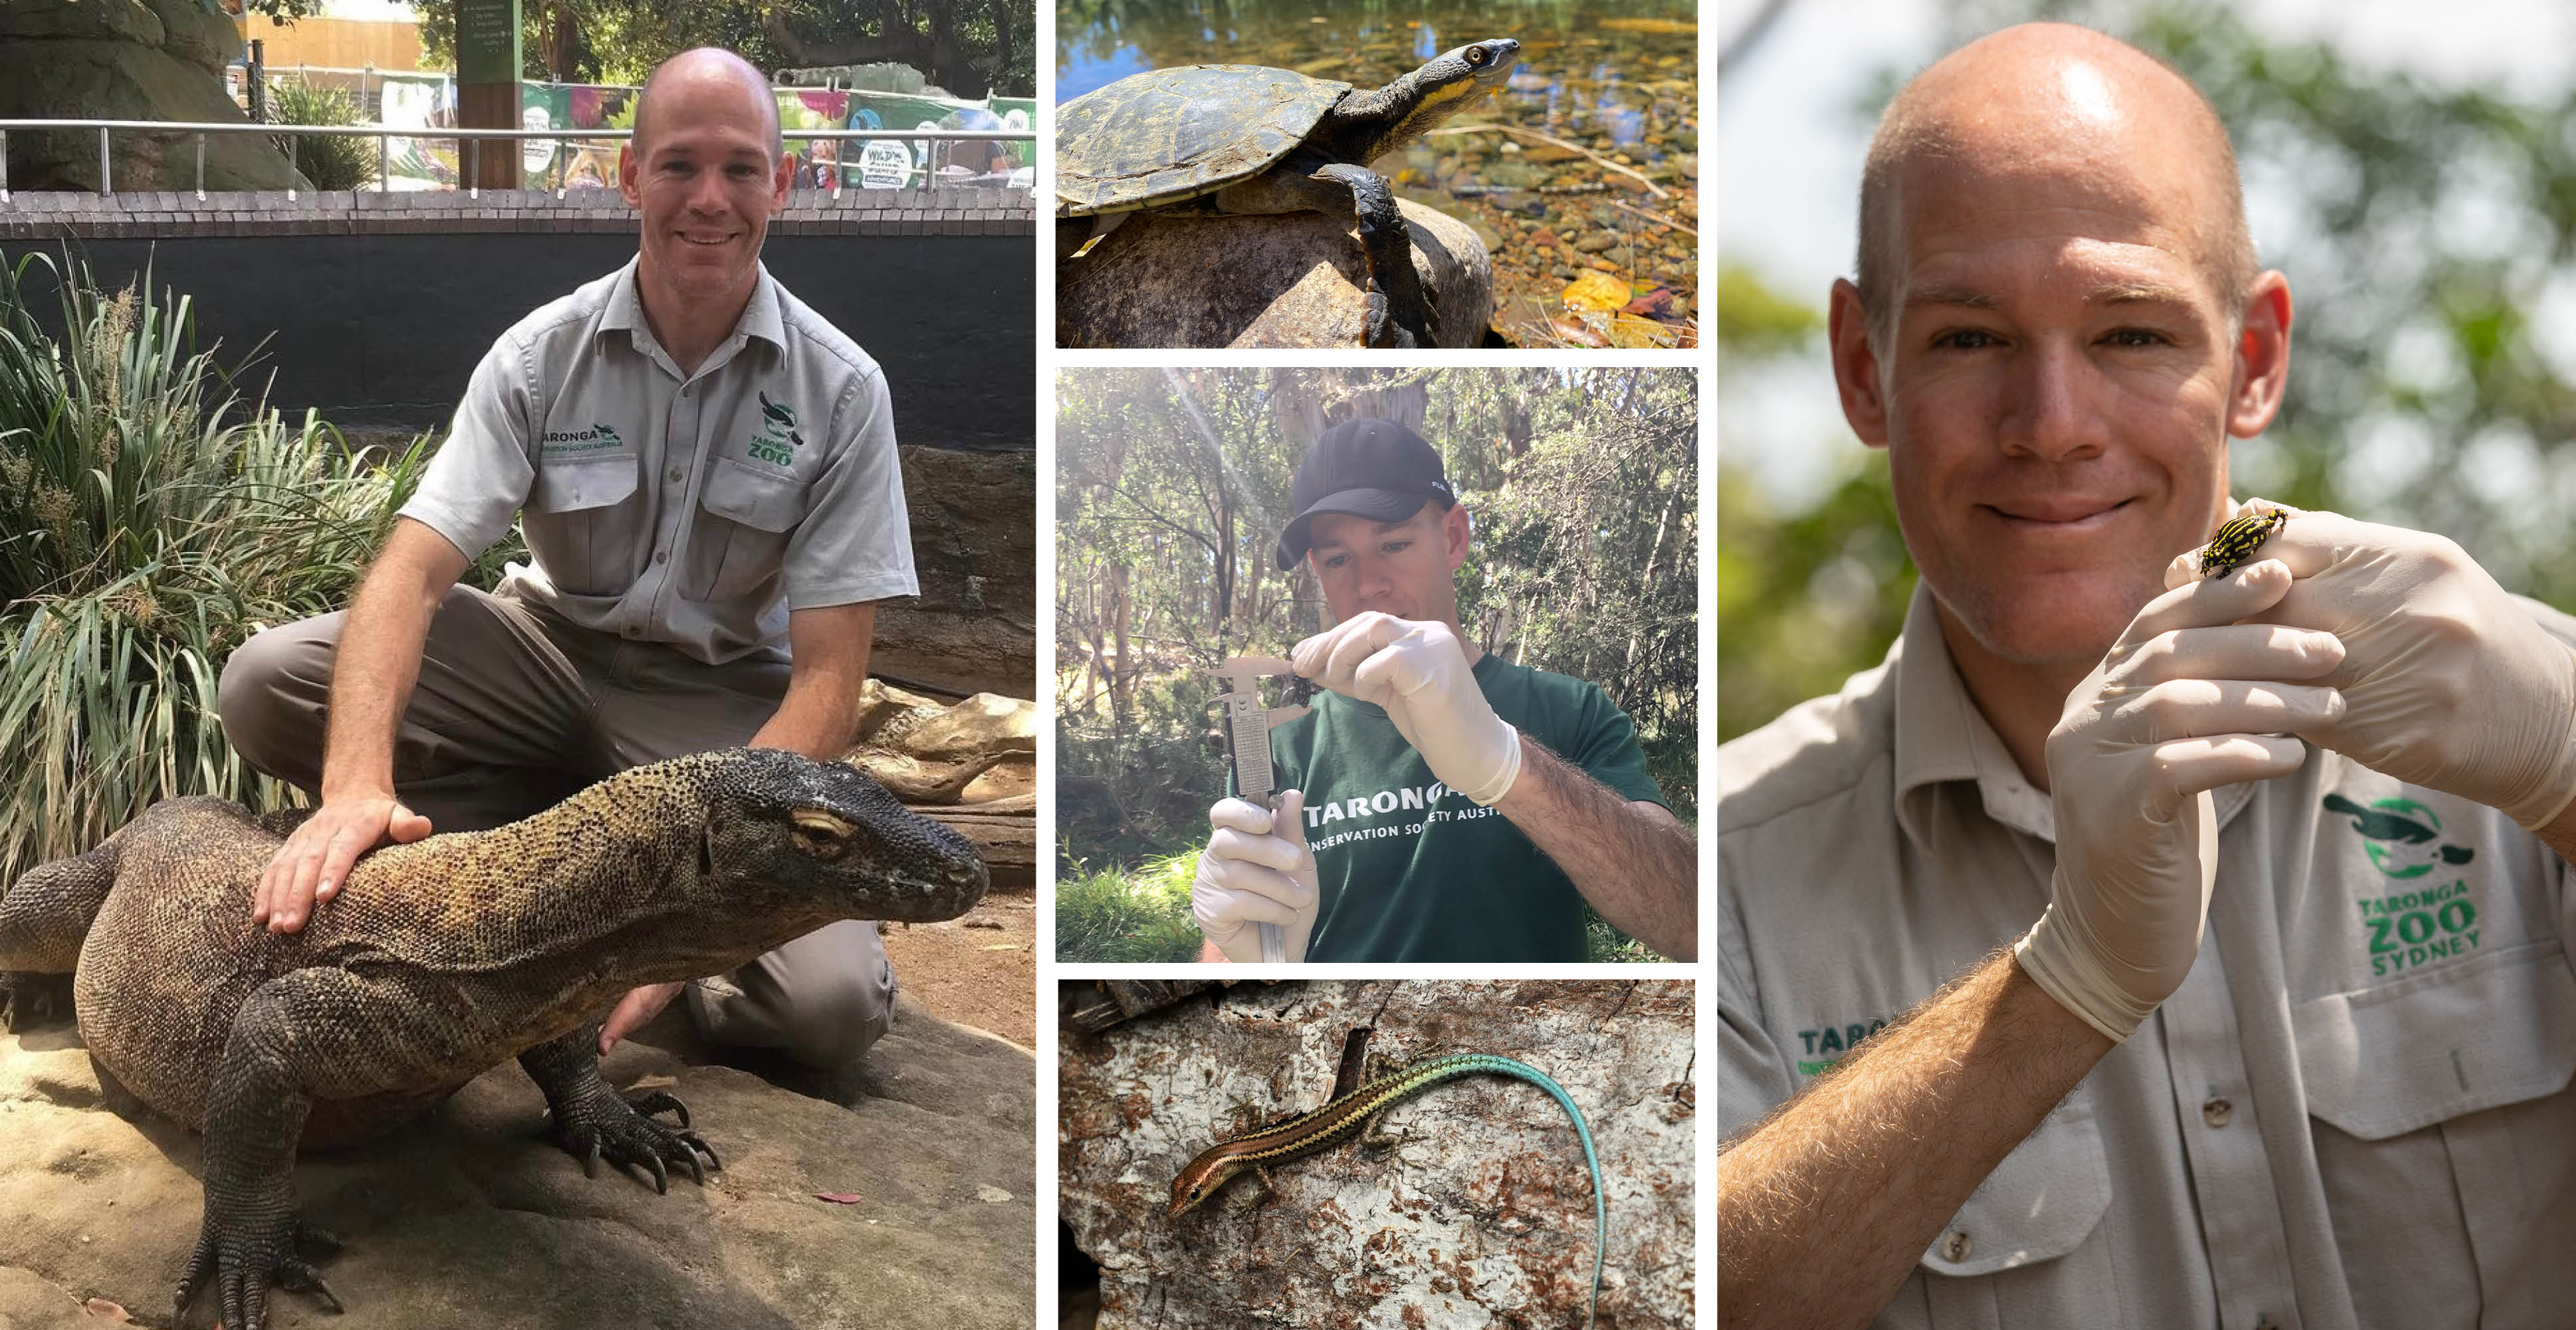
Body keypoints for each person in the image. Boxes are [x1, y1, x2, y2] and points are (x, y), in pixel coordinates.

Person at [1717, 23, 2576, 1328]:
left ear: (2255, 358)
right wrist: (2060, 985)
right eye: (1964, 339)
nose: (2051, 425)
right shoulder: (1714, 870)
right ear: (1859, 367)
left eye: (2128, 334)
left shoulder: (2512, 706)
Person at [215, 47, 919, 1073]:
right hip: (541, 656)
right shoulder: (543, 354)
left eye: (740, 169)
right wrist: (356, 786)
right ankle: (533, 846)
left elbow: (826, 680)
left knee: (828, 1013)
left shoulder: (843, 391)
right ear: (630, 178)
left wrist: (688, 932)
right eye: (679, 166)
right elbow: (412, 571)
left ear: (784, 182)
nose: (709, 200)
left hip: (718, 713)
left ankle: (602, 933)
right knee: (266, 684)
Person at [1187, 417, 1696, 964]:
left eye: (1394, 544)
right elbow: (1233, 953)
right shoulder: (1278, 745)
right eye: (1338, 559)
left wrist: (1508, 769)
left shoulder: (1569, 709)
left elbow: (1691, 922)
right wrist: (1247, 959)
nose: (1367, 583)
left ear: (1453, 537)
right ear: (1317, 568)